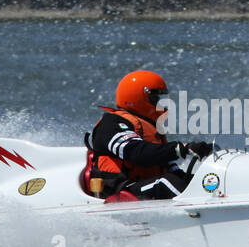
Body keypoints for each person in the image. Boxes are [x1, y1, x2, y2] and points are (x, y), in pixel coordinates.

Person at [84, 70, 213, 200]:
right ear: (138, 97)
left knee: (201, 181)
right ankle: (200, 212)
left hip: (144, 189)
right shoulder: (112, 123)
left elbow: (173, 171)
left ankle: (219, 202)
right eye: (156, 99)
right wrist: (180, 149)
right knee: (165, 182)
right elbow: (136, 153)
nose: (160, 104)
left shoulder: (152, 129)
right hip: (119, 191)